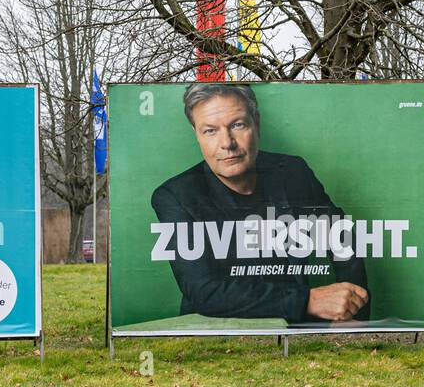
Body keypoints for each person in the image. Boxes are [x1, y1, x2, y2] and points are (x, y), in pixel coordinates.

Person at [150, 82, 370, 325]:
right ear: (196, 134)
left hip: (295, 330)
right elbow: (205, 292)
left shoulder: (293, 171)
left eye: (237, 125)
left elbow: (343, 239)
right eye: (210, 131)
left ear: (257, 123)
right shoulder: (175, 196)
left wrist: (352, 310)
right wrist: (307, 300)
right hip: (216, 336)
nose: (227, 143)